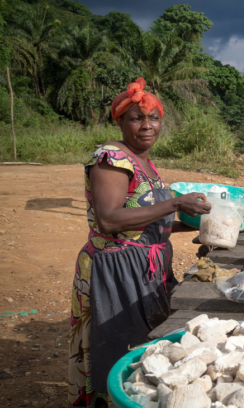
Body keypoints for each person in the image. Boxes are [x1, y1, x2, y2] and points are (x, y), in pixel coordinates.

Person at [68, 78, 211, 407]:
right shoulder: (111, 157)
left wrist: (189, 225)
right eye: (136, 118)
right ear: (120, 121)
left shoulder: (144, 162)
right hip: (114, 271)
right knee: (115, 348)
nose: (147, 125)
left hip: (143, 267)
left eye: (154, 118)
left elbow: (142, 218)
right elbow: (109, 219)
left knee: (143, 348)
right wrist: (176, 203)